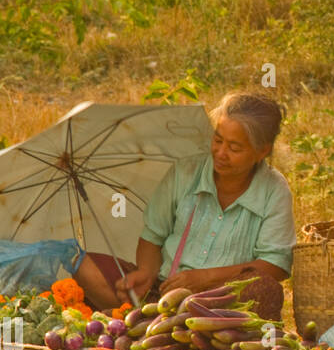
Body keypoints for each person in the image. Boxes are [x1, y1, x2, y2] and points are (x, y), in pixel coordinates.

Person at [73, 93, 295, 321]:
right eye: (218, 140)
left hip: (224, 303)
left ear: (262, 152)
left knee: (265, 290)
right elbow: (153, 236)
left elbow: (274, 265)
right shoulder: (186, 172)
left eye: (234, 148)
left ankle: (154, 323)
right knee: (84, 264)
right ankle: (161, 321)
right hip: (164, 292)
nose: (220, 153)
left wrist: (206, 278)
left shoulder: (274, 190)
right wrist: (147, 273)